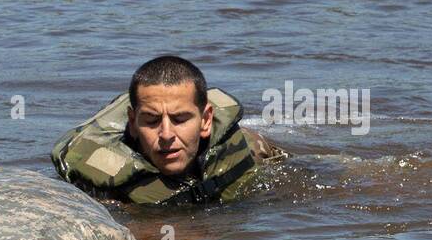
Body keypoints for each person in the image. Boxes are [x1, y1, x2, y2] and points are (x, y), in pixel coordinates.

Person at [51, 55, 287, 205]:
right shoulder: (106, 193)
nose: (166, 135)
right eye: (151, 121)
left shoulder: (252, 147)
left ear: (205, 120)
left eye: (180, 119)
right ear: (133, 123)